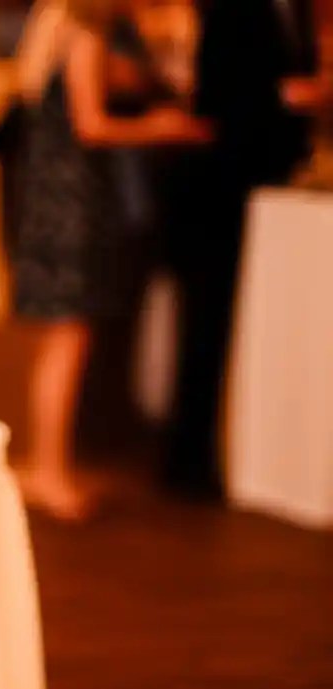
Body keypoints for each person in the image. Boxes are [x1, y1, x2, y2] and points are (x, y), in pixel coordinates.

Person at [12, 0, 209, 521]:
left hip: (64, 197)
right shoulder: (86, 32)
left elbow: (121, 86)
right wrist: (161, 127)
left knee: (63, 336)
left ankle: (45, 464)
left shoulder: (82, 35)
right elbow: (92, 126)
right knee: (68, 337)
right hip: (70, 202)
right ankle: (48, 471)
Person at [163, 0, 325, 500]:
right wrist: (289, 96)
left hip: (269, 181)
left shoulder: (295, 12)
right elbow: (219, 96)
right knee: (206, 325)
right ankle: (188, 458)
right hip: (221, 186)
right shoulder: (234, 10)